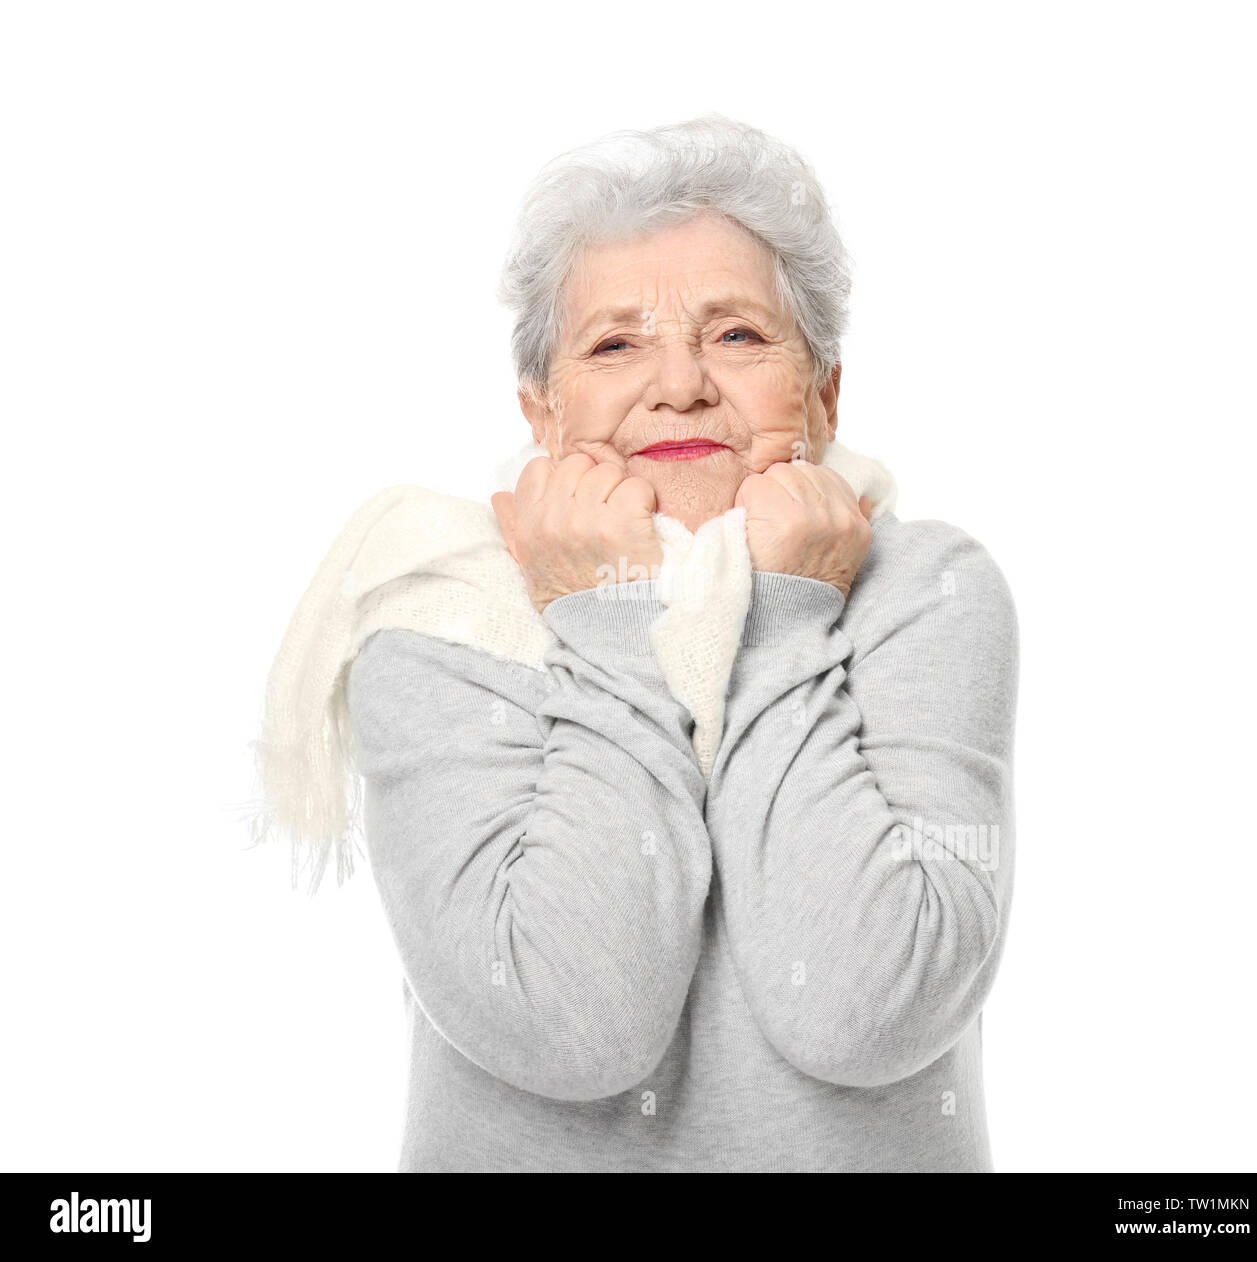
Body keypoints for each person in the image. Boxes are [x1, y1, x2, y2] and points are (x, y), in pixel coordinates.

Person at [253, 115, 1019, 1172]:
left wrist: (789, 612)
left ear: (824, 389)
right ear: (545, 412)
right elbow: (570, 1024)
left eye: (737, 335)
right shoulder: (435, 609)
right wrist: (605, 619)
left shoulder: (926, 587)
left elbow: (867, 1009)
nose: (681, 385)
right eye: (615, 343)